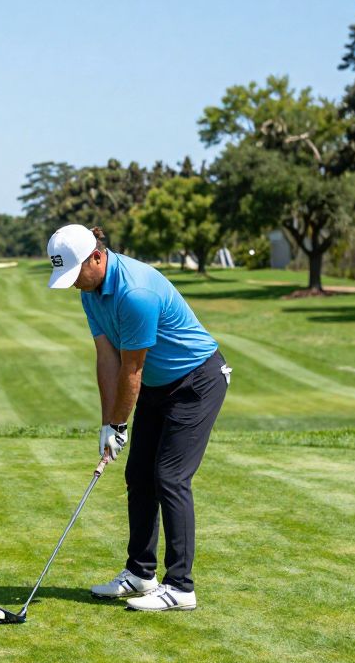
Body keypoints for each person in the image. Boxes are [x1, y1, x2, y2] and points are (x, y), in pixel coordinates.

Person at [47, 224, 230, 612]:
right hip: (160, 384)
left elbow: (132, 371)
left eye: (76, 273)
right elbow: (107, 359)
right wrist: (106, 424)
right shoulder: (91, 292)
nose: (74, 283)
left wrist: (119, 424)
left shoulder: (135, 293)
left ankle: (181, 588)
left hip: (196, 380)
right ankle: (141, 573)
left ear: (97, 257)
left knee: (170, 476)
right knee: (139, 475)